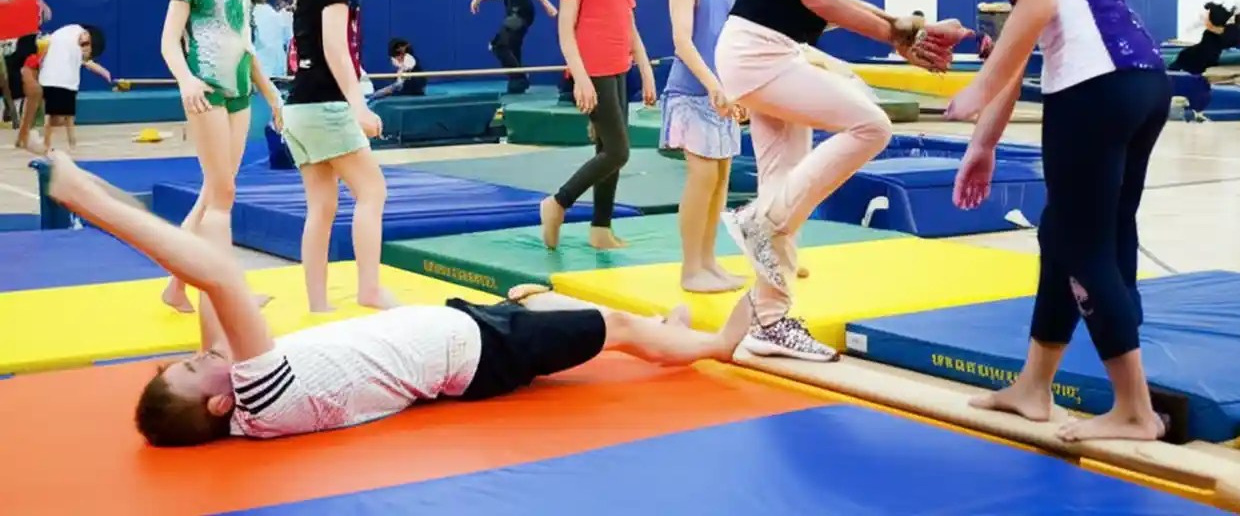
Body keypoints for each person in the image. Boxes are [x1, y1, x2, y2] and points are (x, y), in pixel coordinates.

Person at [35, 149, 753, 446]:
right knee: (616, 326)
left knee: (541, 301)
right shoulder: (263, 395)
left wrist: (94, 188)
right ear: (222, 402)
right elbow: (216, 278)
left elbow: (205, 289)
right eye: (191, 369)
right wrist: (88, 202)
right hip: (476, 356)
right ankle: (708, 346)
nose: (194, 356)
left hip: (453, 332)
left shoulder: (240, 393)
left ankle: (670, 329)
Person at [923, 0, 1171, 442]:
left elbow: (1034, 7)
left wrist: (975, 90)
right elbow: (1026, 39)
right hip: (1139, 84)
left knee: (1082, 245)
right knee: (1076, 237)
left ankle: (1136, 411)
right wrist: (984, 143)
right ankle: (1035, 386)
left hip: (1095, 89)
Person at [713, 0, 965, 362]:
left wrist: (904, 27)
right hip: (758, 54)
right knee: (870, 126)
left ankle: (770, 322)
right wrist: (901, 37)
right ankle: (760, 220)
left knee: (785, 184)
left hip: (776, 50)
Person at [158, 0, 283, 314]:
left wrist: (271, 95)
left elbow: (245, 49)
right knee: (223, 192)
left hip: (239, 95)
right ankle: (232, 293)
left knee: (215, 191)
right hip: (206, 92)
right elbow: (168, 42)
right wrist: (186, 80)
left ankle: (176, 285)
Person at [281, 0, 396, 313]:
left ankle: (318, 303)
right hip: (326, 105)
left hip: (299, 107)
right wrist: (359, 105)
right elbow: (334, 47)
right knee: (372, 191)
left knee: (322, 205)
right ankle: (369, 288)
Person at [540, 0, 658, 251]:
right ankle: (558, 203)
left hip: (619, 69)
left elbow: (629, 26)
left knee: (607, 149)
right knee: (619, 151)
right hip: (593, 71)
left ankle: (600, 228)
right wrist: (580, 78)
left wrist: (646, 69)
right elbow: (566, 30)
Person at [660, 0, 747, 293]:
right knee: (703, 176)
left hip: (722, 95)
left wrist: (737, 91)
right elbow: (682, 40)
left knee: (722, 179)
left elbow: (730, 44)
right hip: (691, 94)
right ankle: (690, 269)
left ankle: (709, 263)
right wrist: (713, 85)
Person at [36, 23, 111, 153]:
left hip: (58, 79)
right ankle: (47, 144)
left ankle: (71, 143)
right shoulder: (77, 35)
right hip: (57, 79)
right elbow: (86, 57)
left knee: (67, 116)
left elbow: (86, 60)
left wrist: (104, 72)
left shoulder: (68, 35)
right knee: (55, 116)